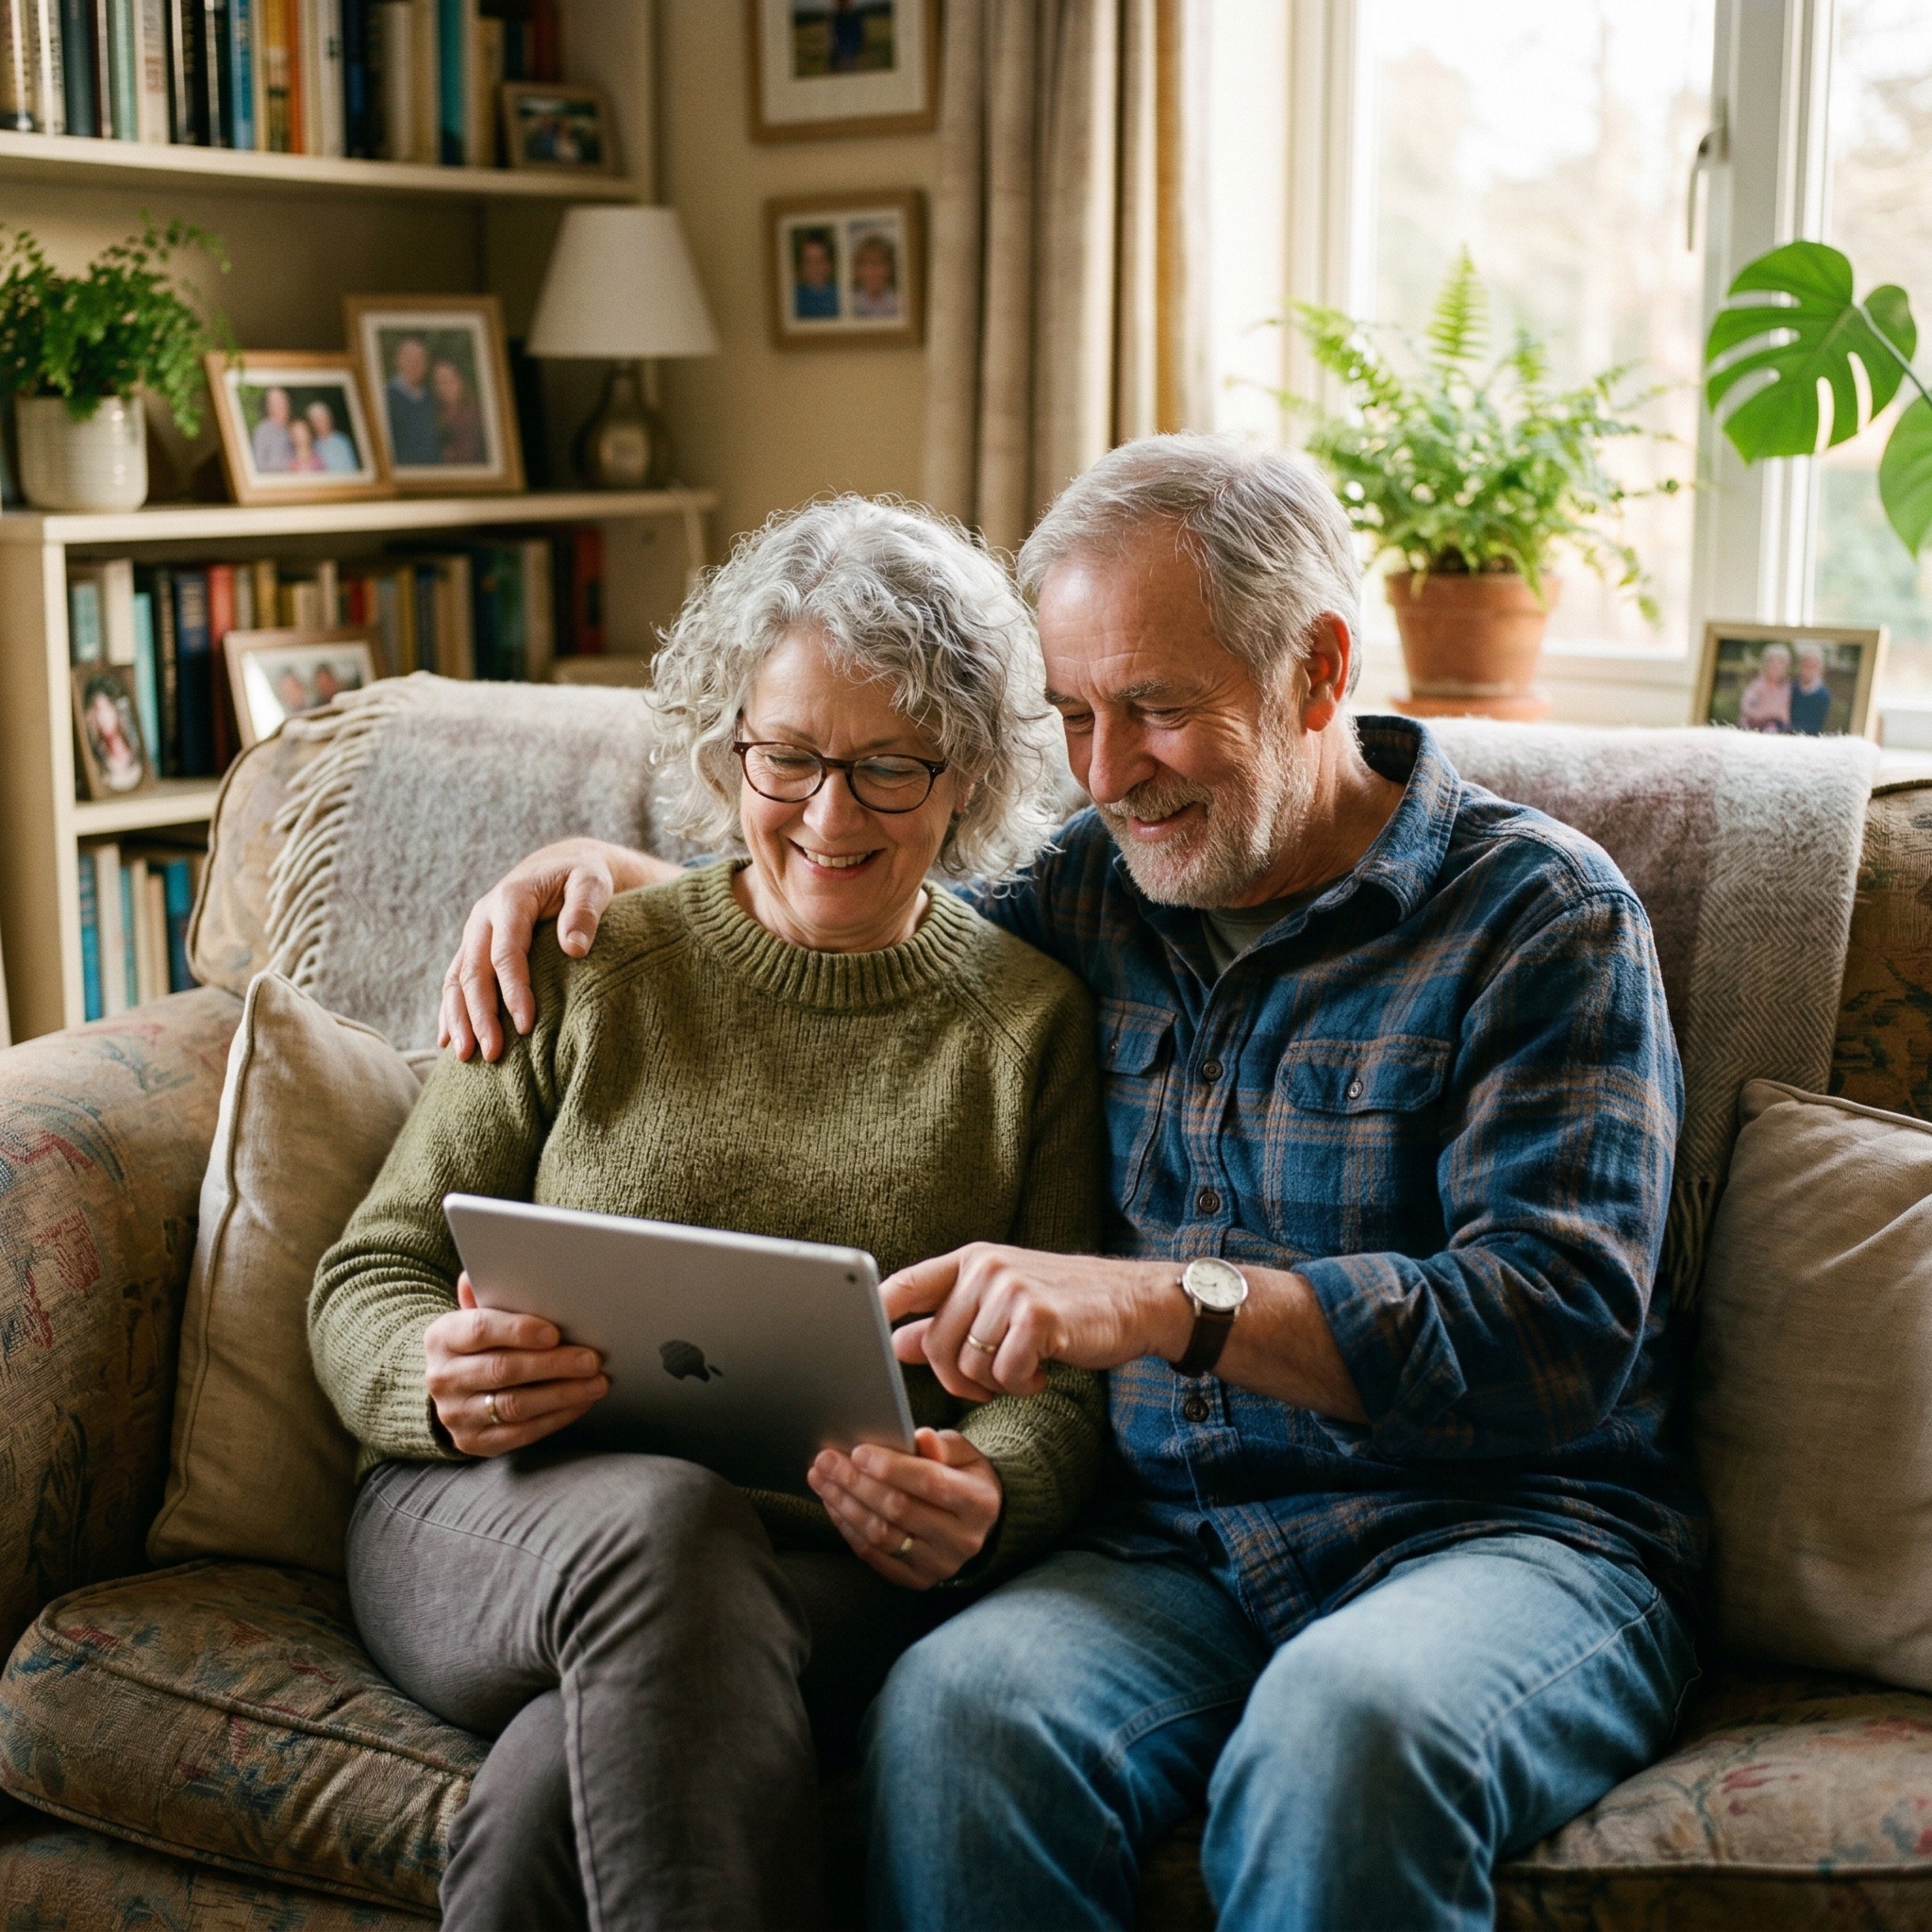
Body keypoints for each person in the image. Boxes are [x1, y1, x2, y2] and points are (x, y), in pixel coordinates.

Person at [443, 436, 1704, 1932]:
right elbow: (855, 892)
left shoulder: (1538, 919)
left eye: (1159, 713)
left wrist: (1174, 1304)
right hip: (1170, 1547)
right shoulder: (1093, 886)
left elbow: (1555, 1335)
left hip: (1502, 1535)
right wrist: (605, 870)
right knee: (959, 1714)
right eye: (1077, 717)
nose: (1106, 776)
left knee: (1349, 1733)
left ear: (1317, 671)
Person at [312, 496, 1109, 1932]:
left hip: (821, 1574)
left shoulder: (1027, 1027)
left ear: (969, 775)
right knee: (667, 1526)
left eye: (887, 768)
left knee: (550, 1798)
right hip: (479, 1523)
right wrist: (427, 1375)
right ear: (727, 743)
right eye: (787, 756)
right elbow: (373, 1268)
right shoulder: (591, 957)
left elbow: (1058, 1392)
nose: (826, 815)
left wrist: (988, 1497)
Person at [385, 336, 441, 466]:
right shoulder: (385, 397)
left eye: (420, 359)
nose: (415, 364)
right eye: (410, 358)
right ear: (397, 360)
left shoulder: (433, 397)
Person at [432, 358, 486, 465]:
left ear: (460, 381)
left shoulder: (478, 413)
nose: (446, 386)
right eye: (441, 382)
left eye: (450, 380)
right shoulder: (431, 416)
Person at [1740, 641, 1792, 732]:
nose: (1775, 666)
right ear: (1765, 664)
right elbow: (1747, 709)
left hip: (1774, 731)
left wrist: (1765, 710)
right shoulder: (1756, 685)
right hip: (1751, 729)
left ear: (1786, 667)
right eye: (1771, 661)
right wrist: (1772, 712)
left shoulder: (1787, 688)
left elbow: (1785, 717)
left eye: (1780, 662)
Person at [849, 232, 900, 319]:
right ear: (858, 270)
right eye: (867, 263)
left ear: (889, 269)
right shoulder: (850, 303)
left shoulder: (899, 303)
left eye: (879, 263)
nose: (873, 270)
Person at [793, 232, 841, 321]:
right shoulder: (795, 298)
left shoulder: (840, 295)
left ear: (830, 264)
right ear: (802, 266)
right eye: (809, 261)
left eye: (820, 260)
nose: (815, 267)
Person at [1790, 641, 1833, 735]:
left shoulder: (1823, 695)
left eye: (1813, 666)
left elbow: (1815, 726)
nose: (1809, 670)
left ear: (1820, 669)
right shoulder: (1793, 688)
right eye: (1806, 665)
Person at [307, 400, 359, 474]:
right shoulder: (312, 445)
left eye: (323, 418)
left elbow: (352, 468)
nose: (320, 423)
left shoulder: (343, 441)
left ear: (330, 419)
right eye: (316, 420)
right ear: (312, 424)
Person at [251, 386, 294, 473]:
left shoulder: (293, 428)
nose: (282, 407)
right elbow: (259, 465)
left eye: (283, 402)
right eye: (276, 404)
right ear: (269, 408)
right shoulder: (262, 431)